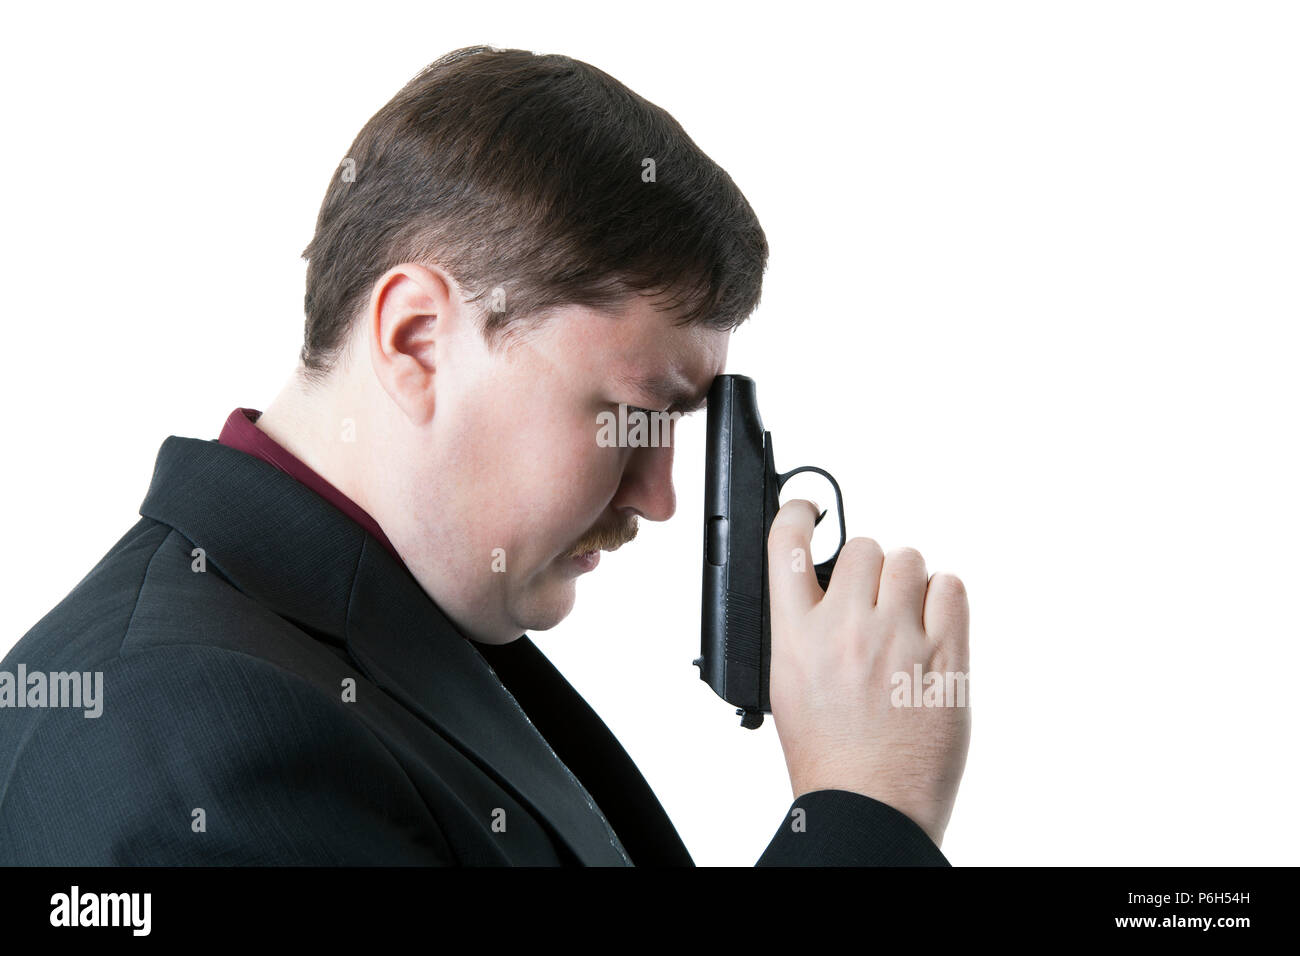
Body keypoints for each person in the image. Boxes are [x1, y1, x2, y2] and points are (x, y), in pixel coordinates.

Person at [0, 45, 969, 865]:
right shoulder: (179, 733)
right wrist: (862, 805)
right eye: (632, 411)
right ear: (419, 338)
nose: (661, 492)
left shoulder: (395, 631)